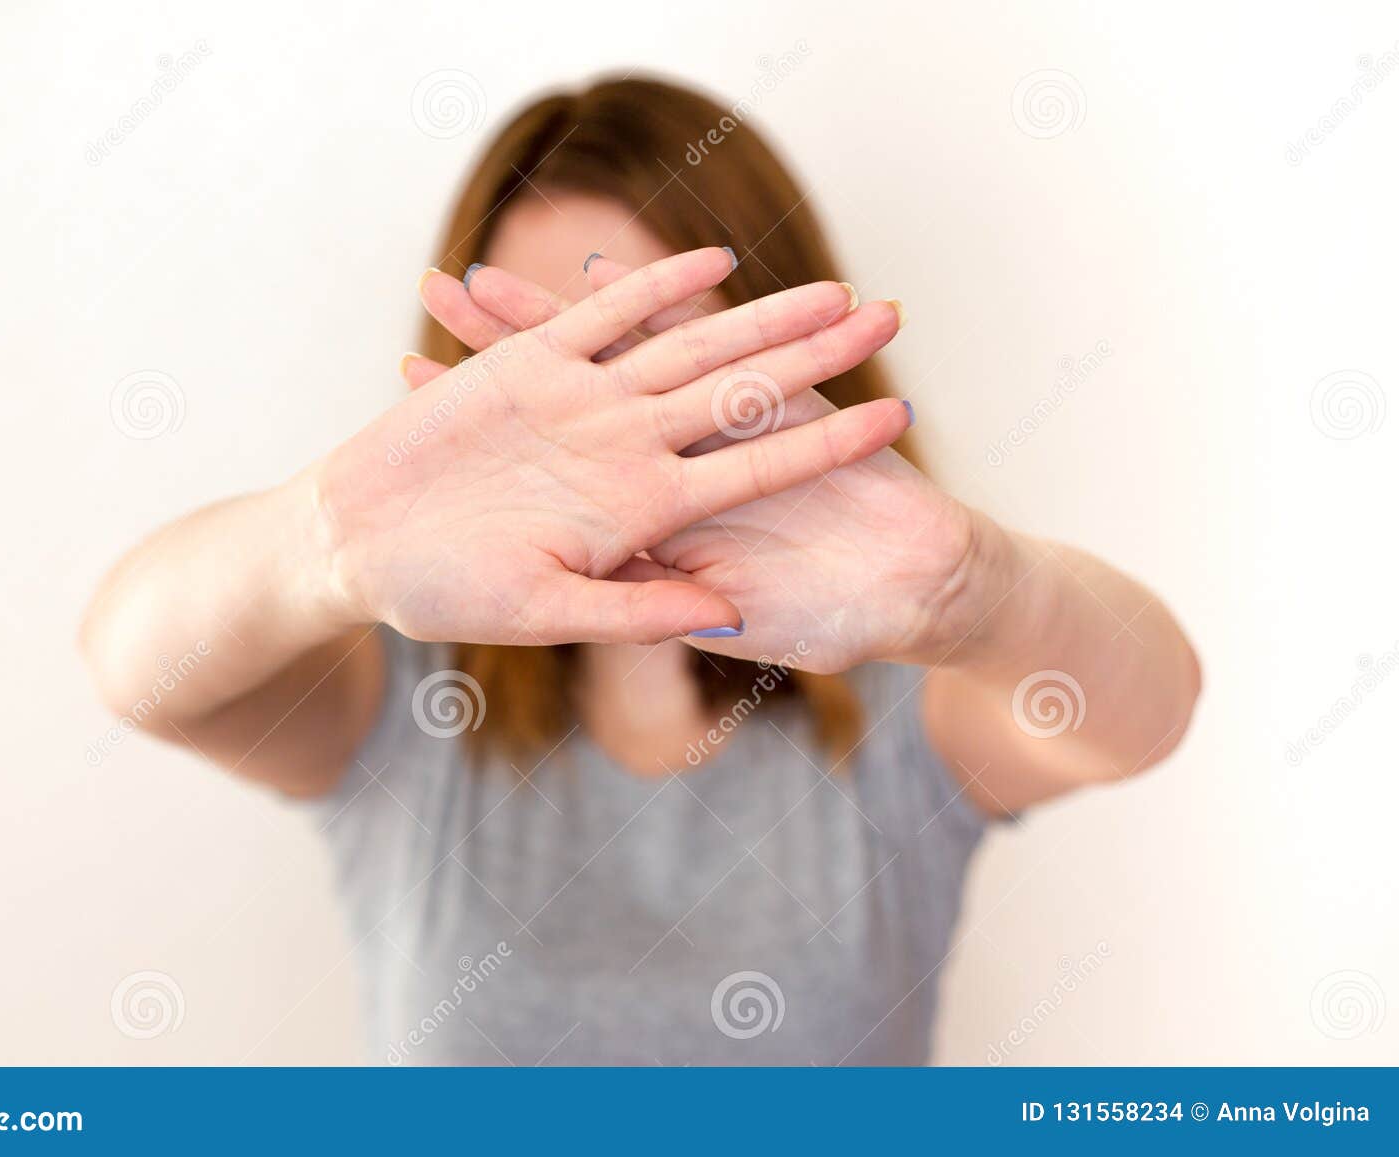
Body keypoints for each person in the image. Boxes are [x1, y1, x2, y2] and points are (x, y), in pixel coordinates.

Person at [80, 78, 1200, 1064]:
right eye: (541, 359)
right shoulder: (399, 700)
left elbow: (1149, 708)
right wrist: (320, 537)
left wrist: (977, 591)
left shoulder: (901, 703)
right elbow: (136, 664)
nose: (591, 425)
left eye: (645, 347)